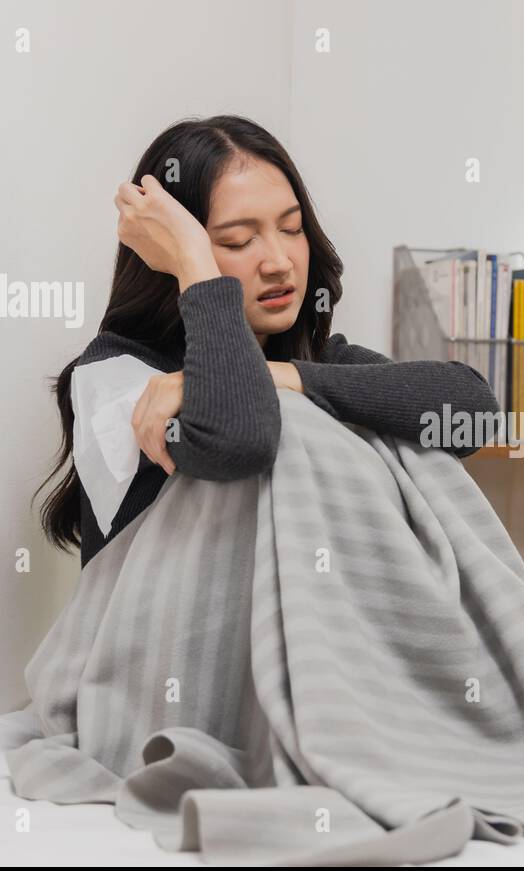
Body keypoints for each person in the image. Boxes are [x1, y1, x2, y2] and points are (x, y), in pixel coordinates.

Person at [34, 115, 500, 567]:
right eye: (237, 241)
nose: (279, 261)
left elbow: (471, 414)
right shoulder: (117, 376)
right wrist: (191, 263)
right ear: (168, 256)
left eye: (292, 229)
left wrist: (281, 374)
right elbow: (241, 441)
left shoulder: (309, 363)